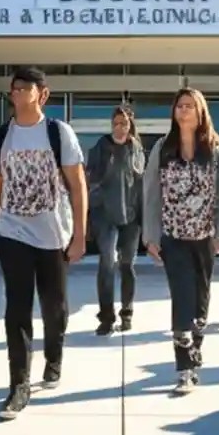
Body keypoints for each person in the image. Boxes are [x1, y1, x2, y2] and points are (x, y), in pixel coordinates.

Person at [0, 67, 88, 421]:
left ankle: (54, 356)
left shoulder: (59, 133)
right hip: (13, 233)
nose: (18, 93)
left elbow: (77, 185)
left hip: (54, 234)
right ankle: (18, 385)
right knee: (17, 308)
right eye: (14, 88)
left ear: (43, 94)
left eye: (25, 88)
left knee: (54, 307)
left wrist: (81, 235)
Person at [142, 88, 219, 395]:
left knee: (200, 301)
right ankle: (184, 368)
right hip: (173, 237)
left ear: (201, 112)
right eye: (179, 106)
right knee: (181, 297)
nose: (184, 111)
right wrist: (151, 234)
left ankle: (195, 350)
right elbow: (151, 194)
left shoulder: (217, 151)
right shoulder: (162, 148)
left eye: (190, 106)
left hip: (204, 238)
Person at [85, 105, 146, 336]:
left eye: (124, 124)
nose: (119, 128)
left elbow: (141, 182)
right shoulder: (101, 146)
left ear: (130, 125)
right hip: (105, 214)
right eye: (116, 124)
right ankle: (106, 317)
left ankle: (127, 313)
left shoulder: (136, 148)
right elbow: (91, 178)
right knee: (107, 262)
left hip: (130, 216)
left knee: (127, 264)